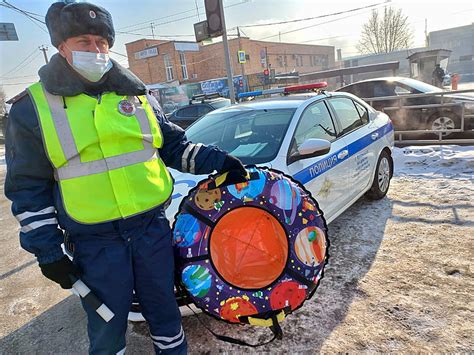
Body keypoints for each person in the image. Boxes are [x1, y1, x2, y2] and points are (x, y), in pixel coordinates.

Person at [4, 2, 246, 354]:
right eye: (84, 42)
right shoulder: (33, 107)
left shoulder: (136, 94)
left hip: (152, 232)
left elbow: (172, 145)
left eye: (102, 42)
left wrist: (219, 160)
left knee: (166, 315)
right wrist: (47, 251)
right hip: (95, 243)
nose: (96, 50)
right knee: (107, 328)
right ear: (61, 47)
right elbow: (27, 188)